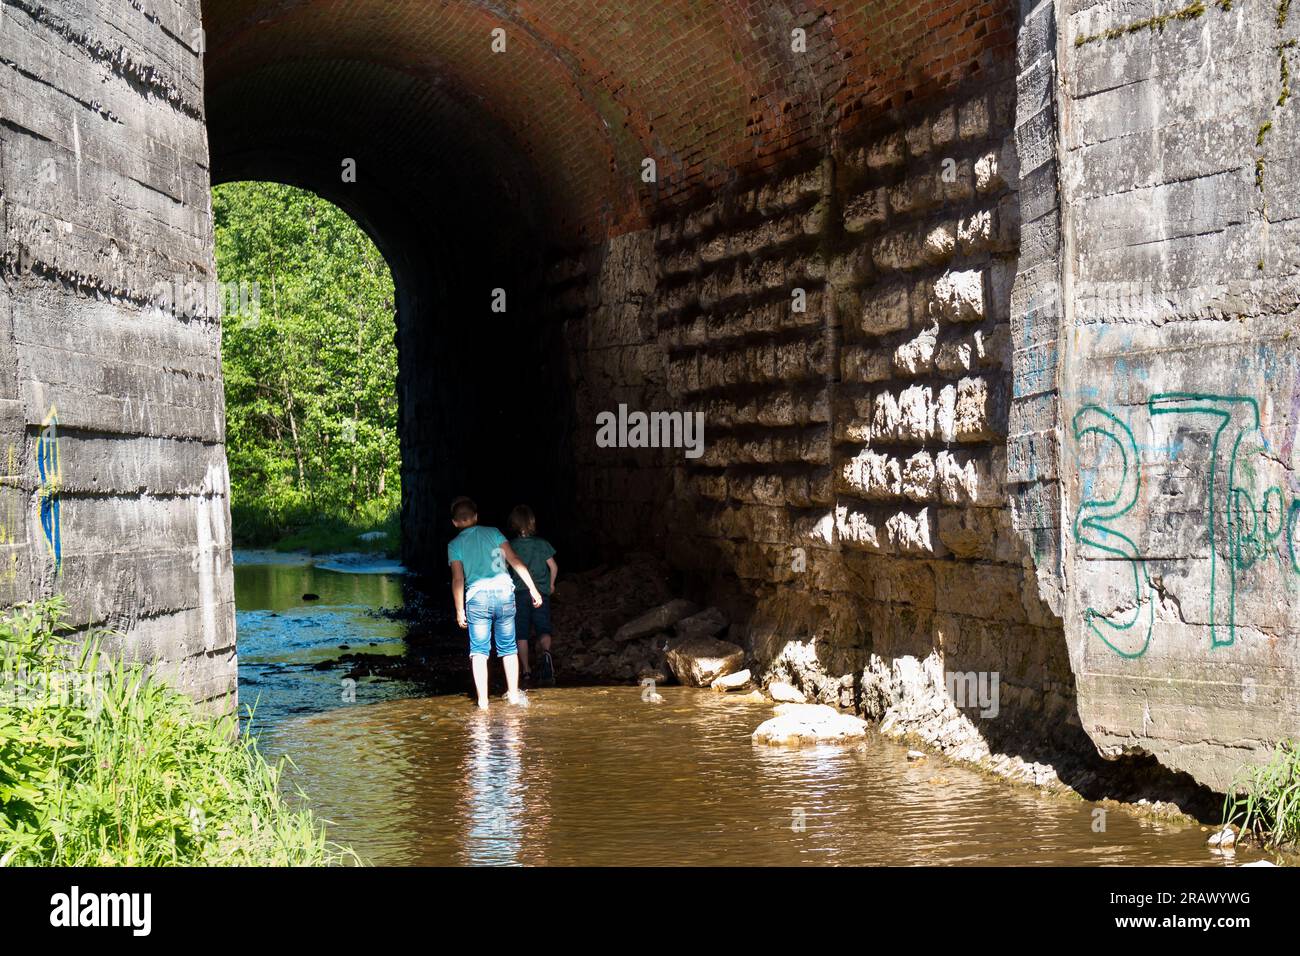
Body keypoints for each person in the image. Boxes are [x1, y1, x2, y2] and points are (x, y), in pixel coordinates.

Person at [447, 496, 542, 709]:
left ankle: (482, 702)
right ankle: (514, 695)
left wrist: (459, 609)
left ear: (455, 523)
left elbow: (458, 579)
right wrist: (533, 589)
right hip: (504, 595)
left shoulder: (454, 545)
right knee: (508, 648)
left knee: (479, 651)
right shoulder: (494, 533)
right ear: (476, 517)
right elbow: (515, 560)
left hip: (477, 599)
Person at [507, 505, 558, 687]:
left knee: (521, 633)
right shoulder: (542, 544)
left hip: (519, 594)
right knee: (543, 628)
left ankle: (526, 670)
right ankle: (546, 654)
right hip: (541, 593)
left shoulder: (510, 546)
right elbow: (554, 567)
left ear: (514, 524)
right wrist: (550, 584)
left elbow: (504, 570)